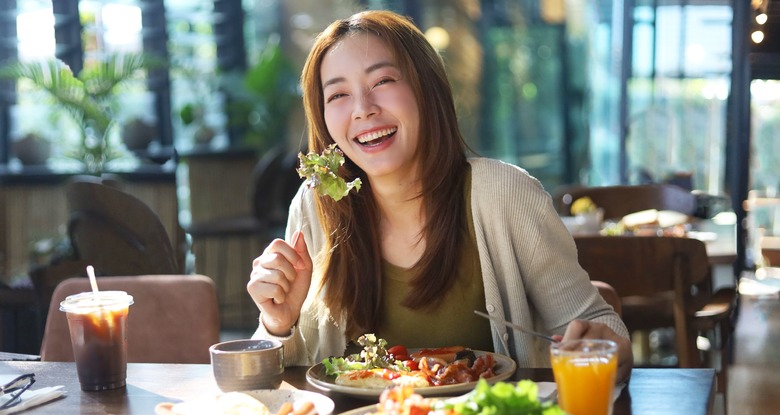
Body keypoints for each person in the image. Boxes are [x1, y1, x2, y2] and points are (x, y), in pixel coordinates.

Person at [246, 9, 633, 382]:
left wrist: (602, 345)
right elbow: (276, 389)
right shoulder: (316, 207)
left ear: (426, 89)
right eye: (338, 95)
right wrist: (278, 323)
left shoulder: (505, 195)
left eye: (382, 82)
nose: (363, 110)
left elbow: (602, 331)